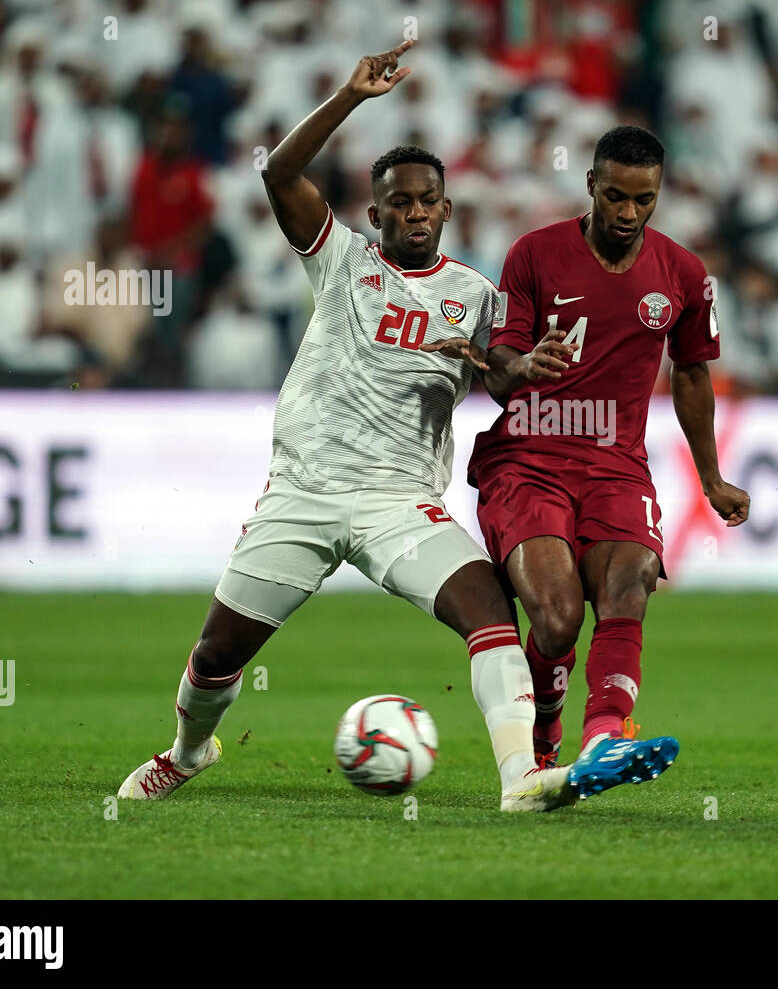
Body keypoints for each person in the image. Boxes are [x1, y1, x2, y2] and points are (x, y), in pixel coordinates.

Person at [117, 40, 573, 813]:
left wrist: (518, 371)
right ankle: (189, 752)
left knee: (490, 612)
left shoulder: (475, 293)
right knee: (217, 652)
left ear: (447, 208)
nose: (416, 211)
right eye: (400, 201)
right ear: (377, 212)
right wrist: (350, 97)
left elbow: (499, 370)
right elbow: (277, 175)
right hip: (305, 490)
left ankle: (519, 779)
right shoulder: (342, 259)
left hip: (401, 501)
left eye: (428, 199)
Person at [469, 126, 751, 799]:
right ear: (591, 186)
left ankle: (605, 732)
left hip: (616, 465)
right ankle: (542, 737)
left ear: (659, 195)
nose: (628, 213)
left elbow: (690, 374)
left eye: (643, 200)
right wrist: (523, 365)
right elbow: (497, 369)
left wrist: (709, 477)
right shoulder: (534, 254)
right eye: (616, 197)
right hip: (529, 458)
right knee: (559, 617)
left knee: (633, 581)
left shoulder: (682, 275)